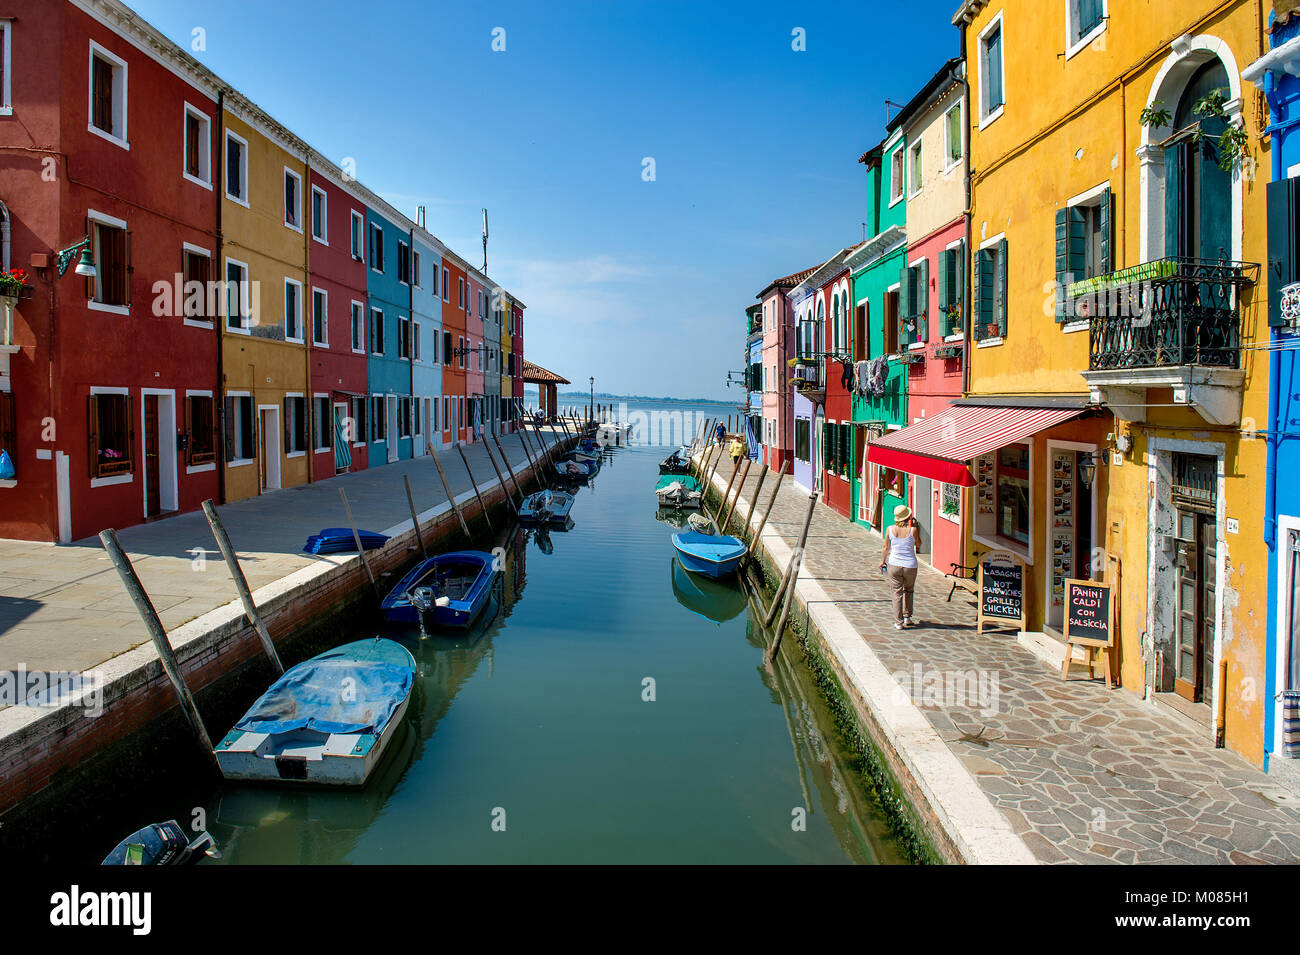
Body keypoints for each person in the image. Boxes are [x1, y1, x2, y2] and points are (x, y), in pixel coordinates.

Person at [880, 504, 919, 629]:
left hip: (895, 564)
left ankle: (898, 622)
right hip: (910, 565)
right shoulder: (913, 530)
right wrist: (915, 529)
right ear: (908, 517)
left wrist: (882, 561)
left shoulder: (890, 529)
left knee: (896, 593)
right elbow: (918, 544)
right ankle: (908, 617)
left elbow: (886, 547)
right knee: (909, 590)